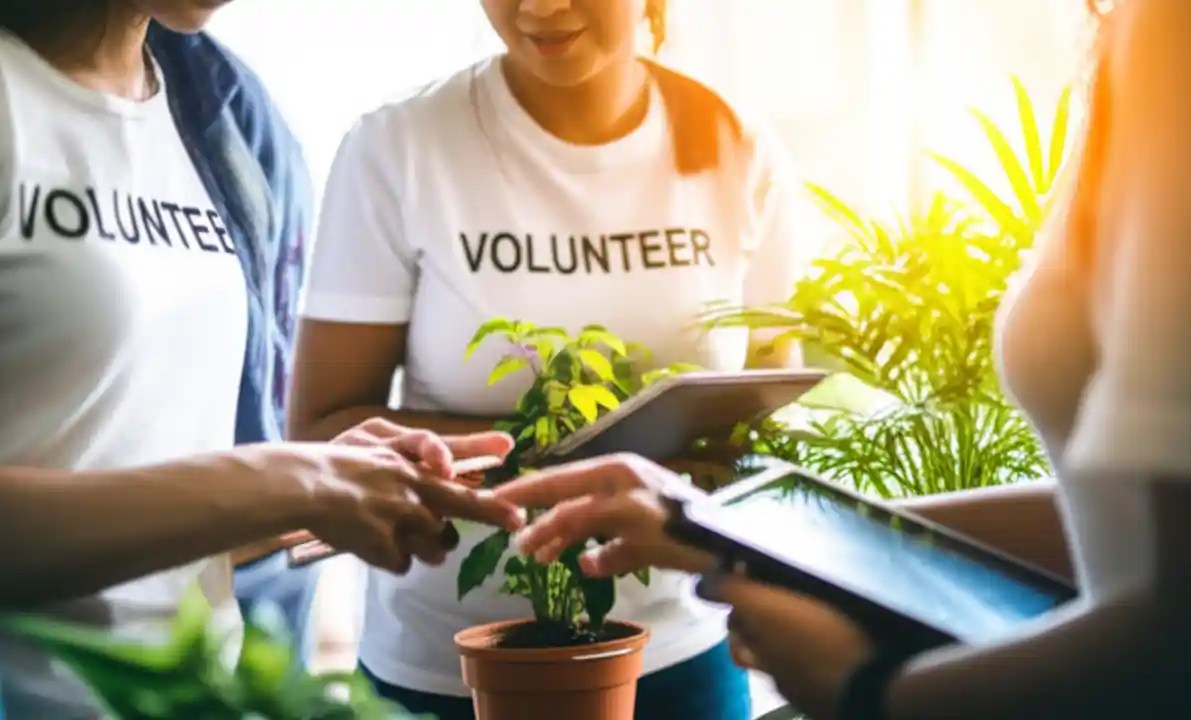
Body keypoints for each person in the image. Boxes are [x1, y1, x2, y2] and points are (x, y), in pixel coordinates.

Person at [495, 1, 1191, 717]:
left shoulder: (1185, 34)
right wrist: (728, 528)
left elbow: (1187, 633)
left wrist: (863, 693)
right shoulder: (1145, 32)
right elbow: (1120, 525)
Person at [0, 2, 523, 717]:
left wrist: (328, 479)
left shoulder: (203, 119)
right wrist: (284, 480)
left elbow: (153, 493)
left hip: (196, 693)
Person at [289, 0, 814, 716]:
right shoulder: (399, 146)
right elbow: (323, 432)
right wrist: (564, 453)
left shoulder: (736, 146)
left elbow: (767, 413)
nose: (538, 7)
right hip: (450, 667)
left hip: (683, 649)